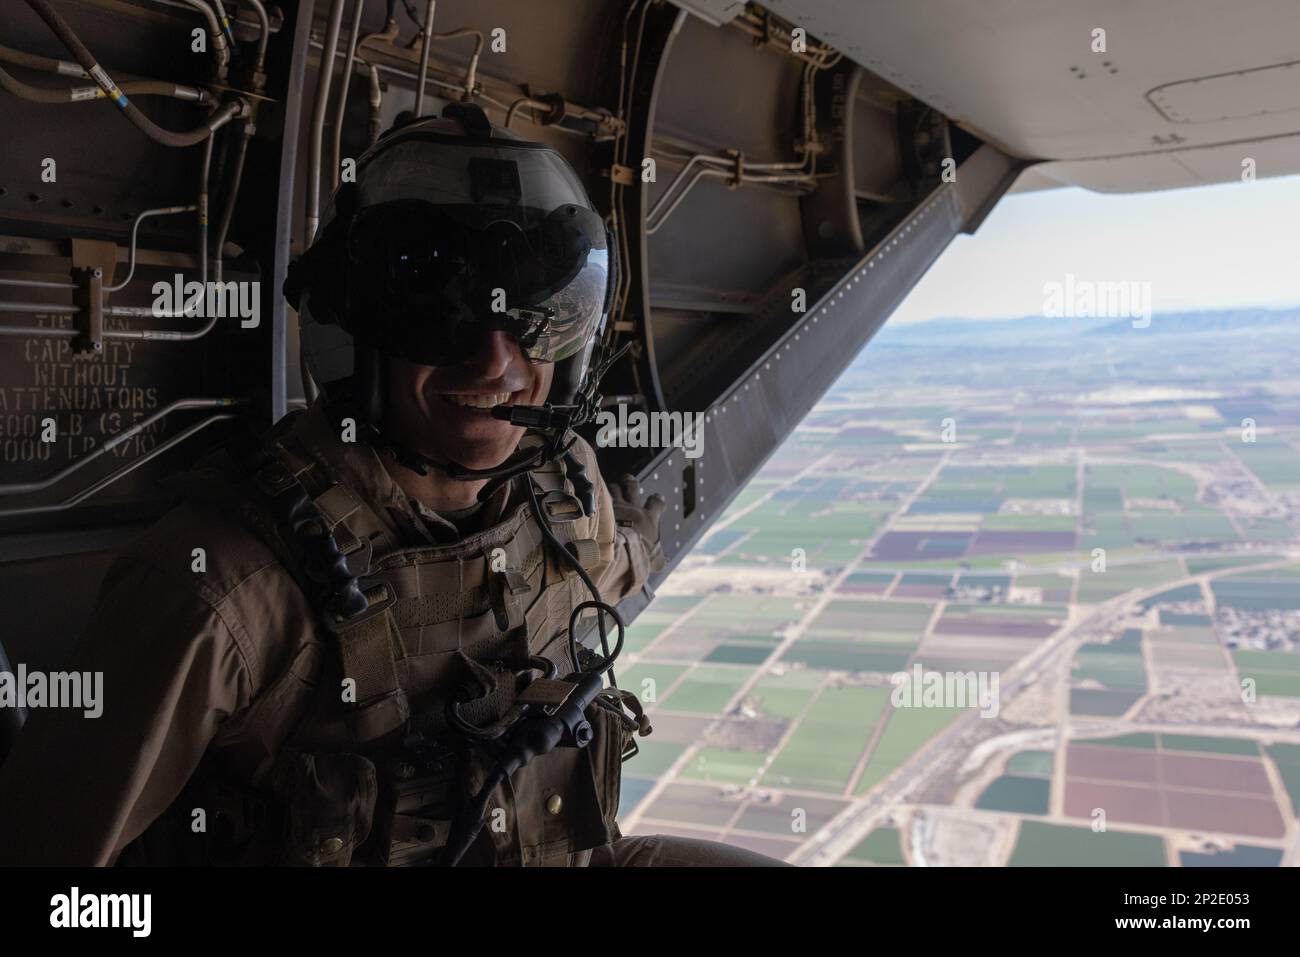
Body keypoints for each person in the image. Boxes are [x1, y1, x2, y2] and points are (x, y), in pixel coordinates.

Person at [0, 104, 784, 867]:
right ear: (350, 325)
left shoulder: (567, 490)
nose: (495, 364)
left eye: (539, 312)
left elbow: (623, 556)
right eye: (439, 312)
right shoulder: (226, 590)